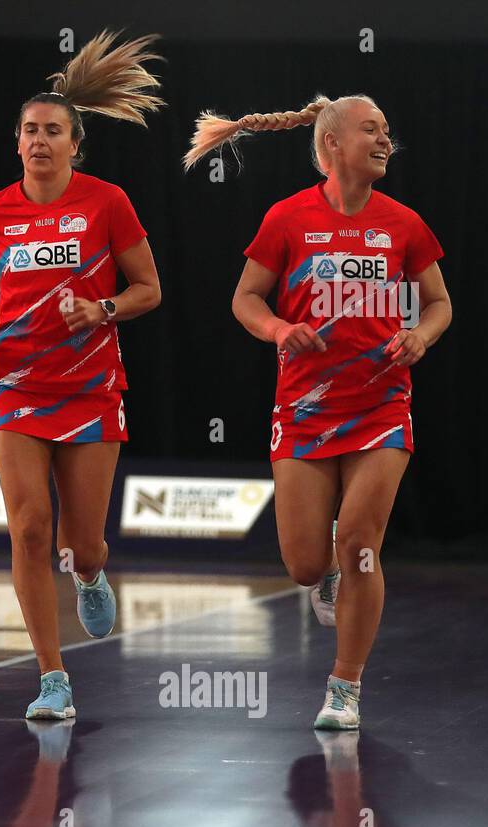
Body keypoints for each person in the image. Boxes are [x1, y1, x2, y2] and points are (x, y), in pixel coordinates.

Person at [184, 94, 452, 729]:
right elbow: (245, 297)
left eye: (388, 130)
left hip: (381, 404)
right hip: (303, 408)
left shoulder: (404, 223)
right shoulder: (287, 218)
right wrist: (278, 328)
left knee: (361, 540)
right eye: (371, 129)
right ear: (332, 144)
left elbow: (438, 303)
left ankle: (345, 685)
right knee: (306, 561)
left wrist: (422, 335)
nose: (386, 139)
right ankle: (323, 573)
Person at [0, 31, 164, 719]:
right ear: (16, 142)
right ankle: (52, 677)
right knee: (29, 529)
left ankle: (94, 571)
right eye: (28, 131)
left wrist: (101, 309)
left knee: (81, 541)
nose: (38, 141)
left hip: (91, 386)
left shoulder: (107, 203)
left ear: (76, 143)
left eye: (52, 131)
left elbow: (148, 290)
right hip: (14, 384)